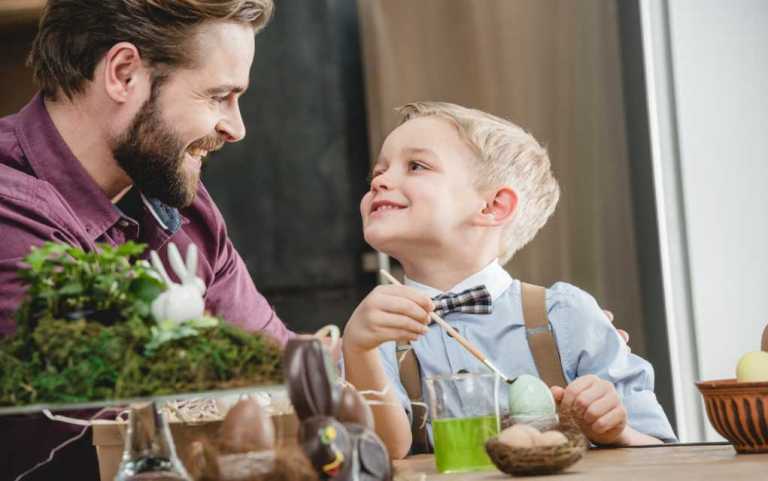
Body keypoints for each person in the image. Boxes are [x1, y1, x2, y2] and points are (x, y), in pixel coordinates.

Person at [0, 1, 293, 479]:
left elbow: (282, 381)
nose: (236, 128)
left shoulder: (187, 210)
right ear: (122, 74)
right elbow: (132, 425)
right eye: (219, 96)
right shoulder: (8, 212)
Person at [341, 101, 676, 459]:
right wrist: (358, 349)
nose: (380, 180)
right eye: (378, 171)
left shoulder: (565, 314)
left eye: (416, 166)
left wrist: (617, 431)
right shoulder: (376, 334)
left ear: (493, 207)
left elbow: (664, 451)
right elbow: (383, 452)